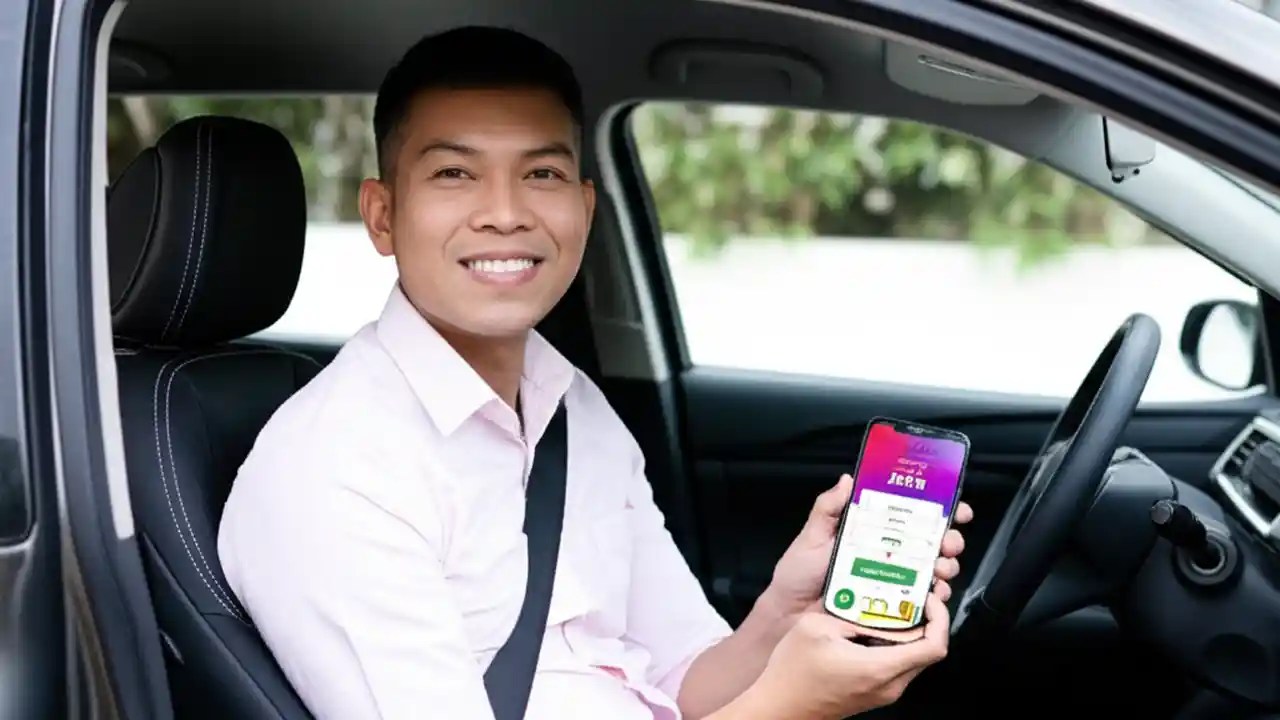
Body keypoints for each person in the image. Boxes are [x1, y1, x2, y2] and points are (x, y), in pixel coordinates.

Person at [217, 25, 973, 720]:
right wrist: (790, 706)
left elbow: (682, 677)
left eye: (541, 174)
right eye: (454, 173)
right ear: (383, 216)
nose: (505, 213)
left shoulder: (575, 409)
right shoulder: (334, 468)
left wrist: (785, 611)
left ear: (584, 207)